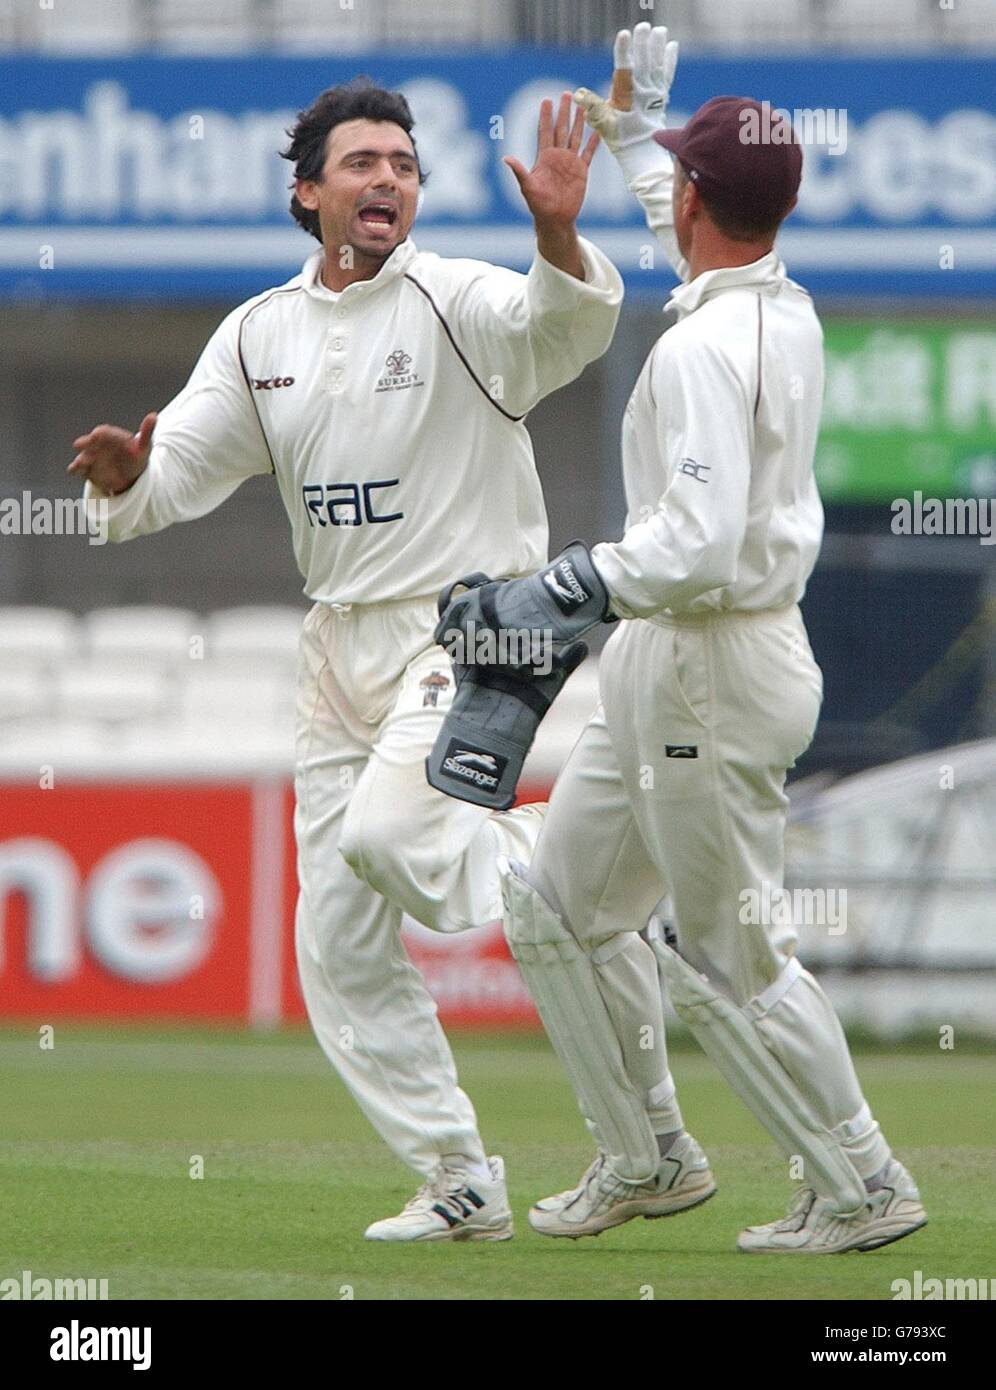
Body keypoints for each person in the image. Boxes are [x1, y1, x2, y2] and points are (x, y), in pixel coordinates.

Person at [67, 78, 623, 1243]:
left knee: (386, 838)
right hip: (337, 644)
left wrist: (559, 233)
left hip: (462, 628)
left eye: (405, 164)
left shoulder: (461, 297)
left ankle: (561, 863)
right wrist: (125, 480)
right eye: (362, 163)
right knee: (334, 940)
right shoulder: (260, 333)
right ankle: (461, 1177)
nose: (388, 180)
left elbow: (563, 332)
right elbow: (175, 476)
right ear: (309, 191)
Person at [436, 26, 926, 1253]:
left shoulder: (711, 345)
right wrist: (638, 129)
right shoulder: (770, 299)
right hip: (672, 654)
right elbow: (694, 217)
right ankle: (647, 1154)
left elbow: (699, 545)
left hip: (714, 652)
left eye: (679, 180)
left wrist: (562, 584)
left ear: (703, 198)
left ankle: (865, 1184)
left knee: (730, 951)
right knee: (557, 909)